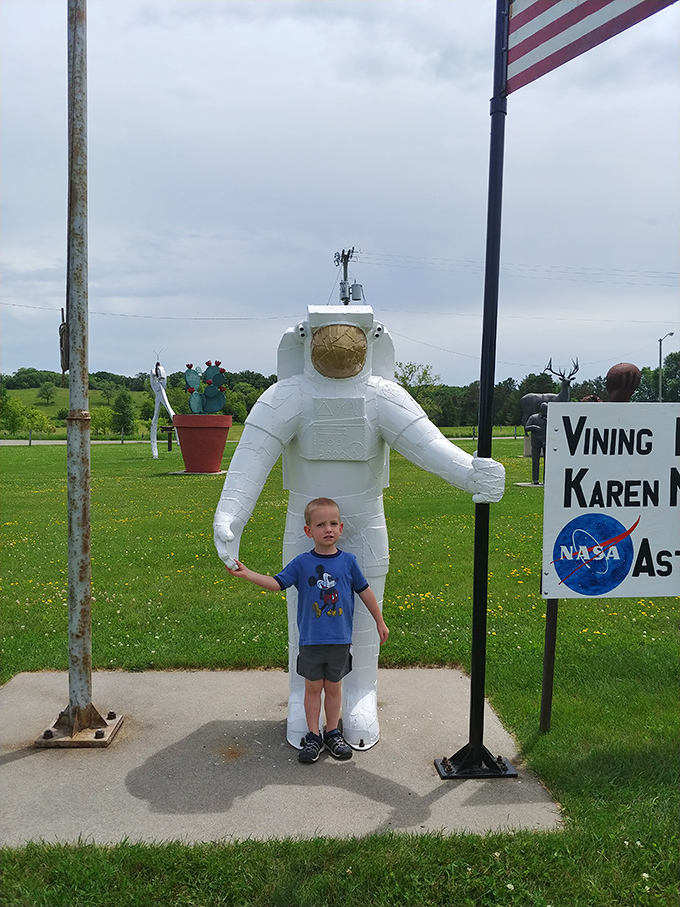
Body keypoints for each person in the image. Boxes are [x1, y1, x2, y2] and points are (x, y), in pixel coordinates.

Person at [214, 304, 504, 750]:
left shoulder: (383, 396)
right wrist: (230, 515)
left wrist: (470, 473)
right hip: (304, 528)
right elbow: (250, 460)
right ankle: (302, 695)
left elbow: (427, 445)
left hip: (365, 523)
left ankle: (361, 693)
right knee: (304, 618)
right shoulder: (285, 397)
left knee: (364, 621)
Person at [226, 497, 389, 764]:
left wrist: (379, 621)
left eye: (333, 523)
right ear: (308, 531)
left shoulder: (348, 562)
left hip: (339, 641)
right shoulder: (302, 564)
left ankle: (332, 732)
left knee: (334, 689)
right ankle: (313, 736)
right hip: (311, 642)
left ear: (341, 527)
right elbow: (277, 583)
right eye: (321, 524)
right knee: (313, 688)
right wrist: (248, 574)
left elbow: (365, 592)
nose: (328, 529)